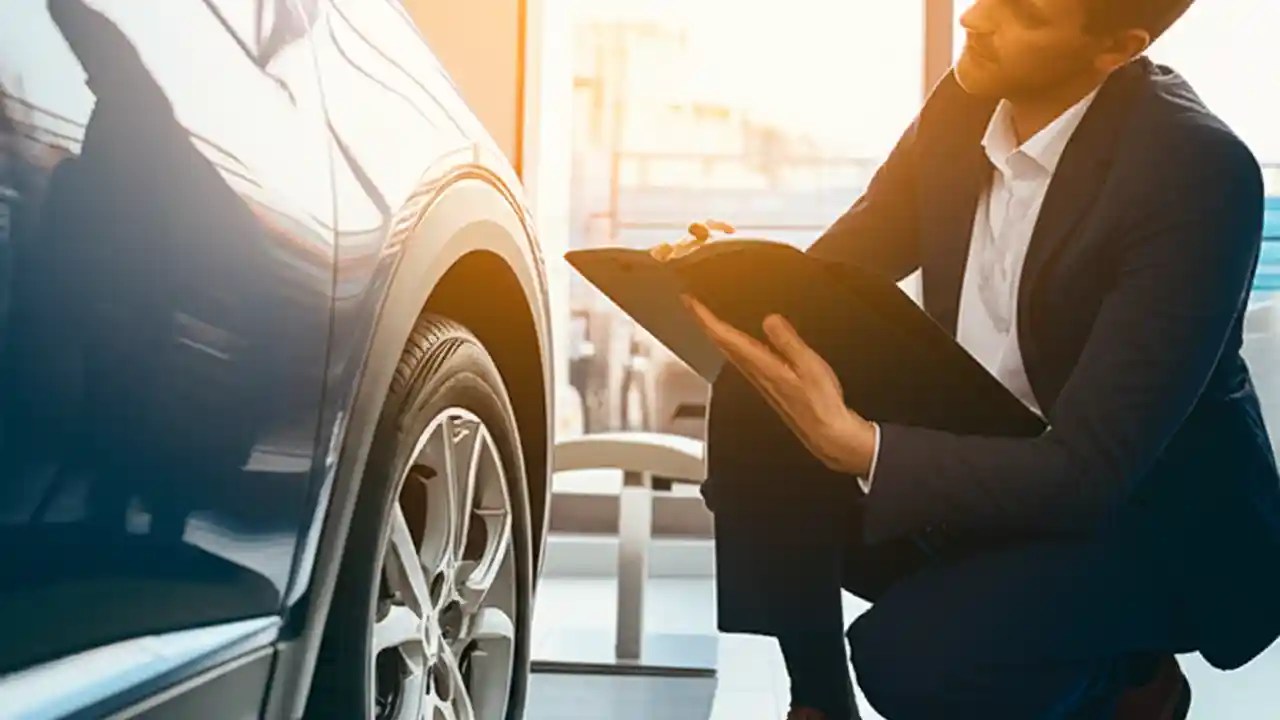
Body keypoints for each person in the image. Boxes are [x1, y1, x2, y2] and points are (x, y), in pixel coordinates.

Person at [666, 0, 1280, 718]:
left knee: (910, 661)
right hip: (995, 461)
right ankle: (818, 703)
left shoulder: (1196, 171)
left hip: (1141, 516)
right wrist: (740, 274)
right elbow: (833, 280)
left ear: (1116, 50)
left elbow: (1090, 472)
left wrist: (863, 447)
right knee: (757, 389)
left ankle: (1127, 678)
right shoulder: (966, 105)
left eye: (1025, 12)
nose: (976, 19)